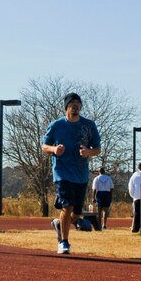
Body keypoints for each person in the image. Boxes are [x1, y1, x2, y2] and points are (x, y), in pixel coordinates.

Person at [41, 92, 102, 254]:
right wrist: (54, 149)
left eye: (78, 103)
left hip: (81, 174)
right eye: (72, 103)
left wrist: (88, 152)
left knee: (76, 213)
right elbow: (44, 146)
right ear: (66, 107)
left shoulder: (89, 125)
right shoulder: (56, 125)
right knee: (67, 207)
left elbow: (97, 149)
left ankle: (59, 224)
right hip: (62, 172)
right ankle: (64, 242)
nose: (75, 106)